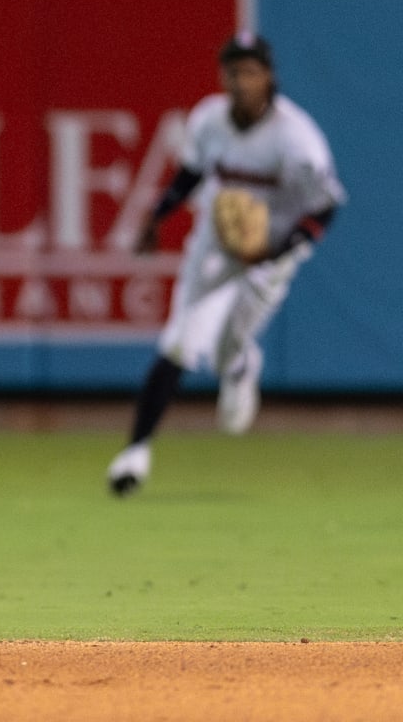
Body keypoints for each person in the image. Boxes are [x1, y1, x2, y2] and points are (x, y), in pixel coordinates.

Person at [106, 33, 346, 497]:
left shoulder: (297, 138)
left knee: (226, 346)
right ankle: (134, 453)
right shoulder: (209, 119)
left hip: (270, 253)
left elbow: (325, 207)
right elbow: (191, 172)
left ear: (269, 77)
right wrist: (158, 216)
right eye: (233, 71)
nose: (240, 81)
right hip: (214, 244)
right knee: (179, 340)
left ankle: (237, 366)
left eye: (251, 71)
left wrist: (278, 251)